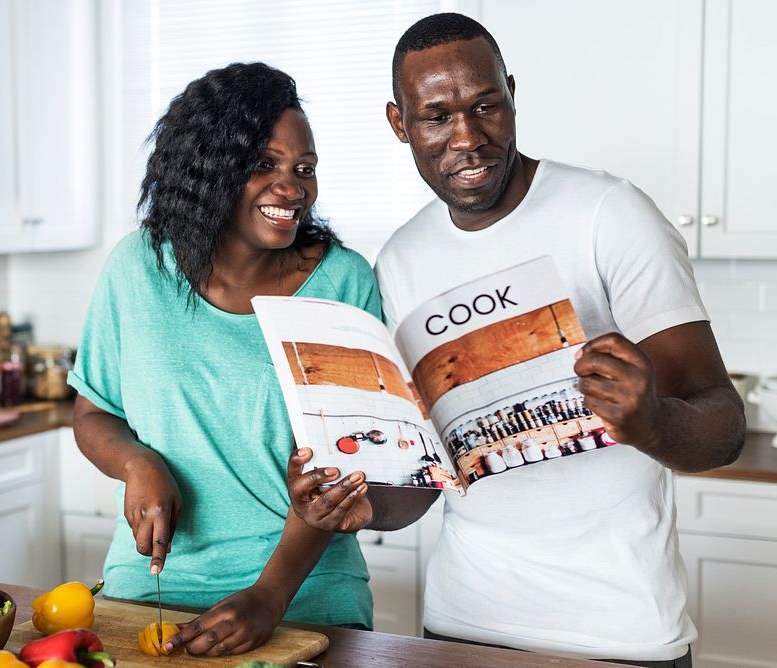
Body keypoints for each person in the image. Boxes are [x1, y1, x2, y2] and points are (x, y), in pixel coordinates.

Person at [285, 13, 745, 667]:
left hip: (620, 635)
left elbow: (722, 426)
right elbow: (424, 479)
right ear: (399, 123)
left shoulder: (608, 214)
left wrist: (650, 420)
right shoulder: (401, 259)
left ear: (511, 94)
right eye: (437, 116)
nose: (467, 137)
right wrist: (361, 506)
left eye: (485, 106)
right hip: (462, 624)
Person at [68, 62, 378, 657]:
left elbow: (352, 468)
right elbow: (92, 414)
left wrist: (270, 594)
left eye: (303, 169)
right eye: (264, 164)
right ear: (207, 166)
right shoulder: (137, 268)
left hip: (305, 592)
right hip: (151, 585)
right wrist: (137, 463)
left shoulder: (342, 283)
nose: (292, 188)